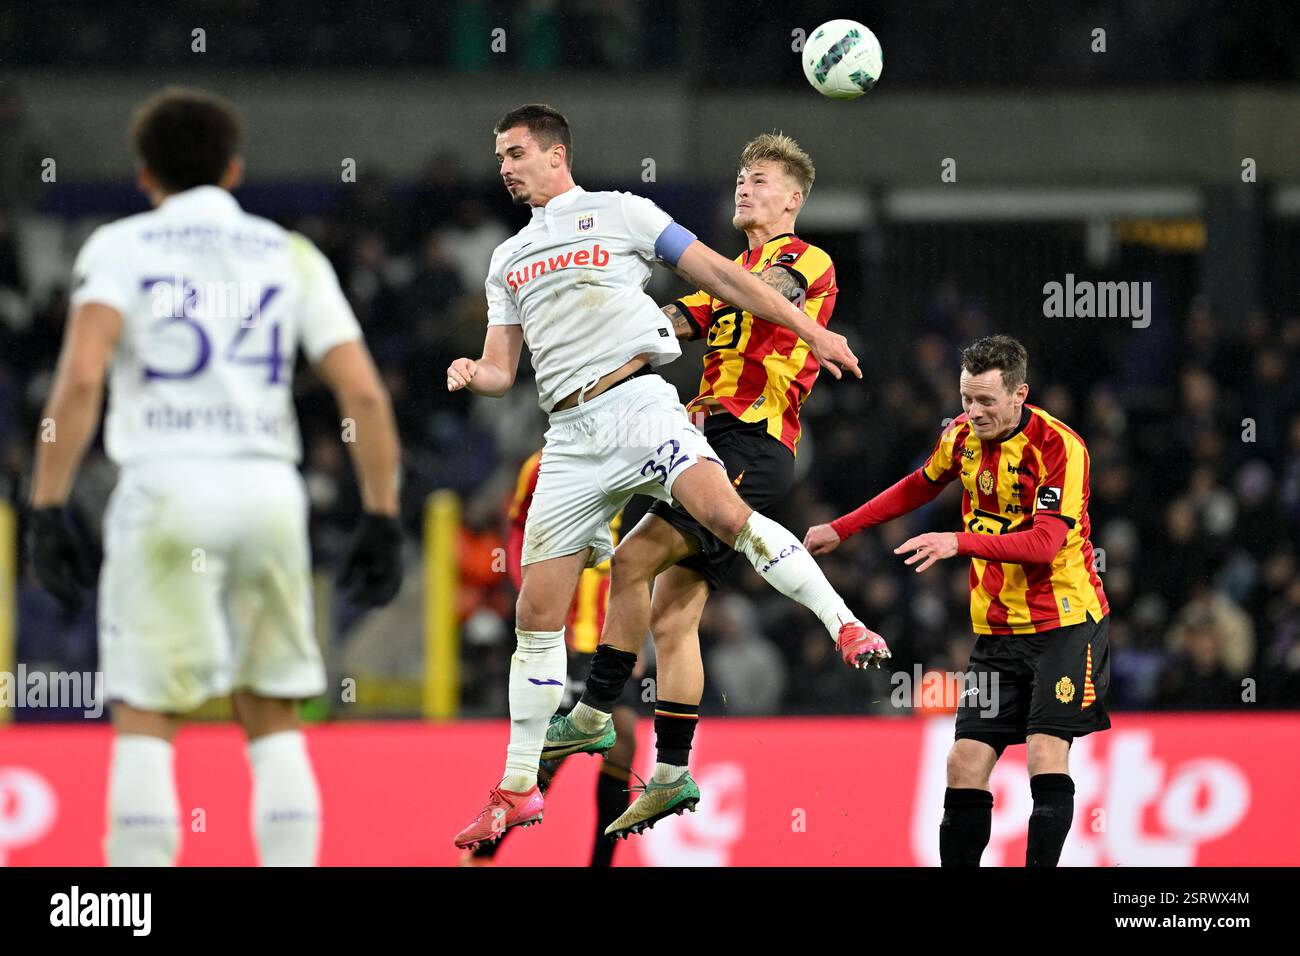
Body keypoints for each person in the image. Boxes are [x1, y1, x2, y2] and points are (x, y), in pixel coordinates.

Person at [448, 104, 883, 850]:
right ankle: (543, 783)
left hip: (709, 424)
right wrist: (477, 373)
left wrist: (812, 330)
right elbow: (505, 366)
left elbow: (728, 282)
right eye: (499, 157)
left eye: (515, 152)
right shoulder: (507, 259)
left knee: (695, 535)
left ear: (557, 153)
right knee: (600, 607)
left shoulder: (635, 216)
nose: (505, 167)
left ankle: (840, 623)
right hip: (577, 432)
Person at [26, 87, 403, 866]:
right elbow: (363, 391)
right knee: (272, 712)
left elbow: (82, 377)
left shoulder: (121, 246)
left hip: (163, 491)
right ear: (234, 170)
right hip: (267, 493)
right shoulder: (287, 252)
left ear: (144, 176)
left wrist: (47, 504)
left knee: (146, 715)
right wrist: (381, 513)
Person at [806, 334, 1111, 867]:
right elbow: (919, 485)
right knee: (964, 761)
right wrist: (842, 527)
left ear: (1020, 394)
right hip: (997, 631)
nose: (973, 412)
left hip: (1063, 624)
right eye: (967, 399)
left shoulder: (1059, 447)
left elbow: (1043, 545)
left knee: (1044, 751)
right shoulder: (963, 436)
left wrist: (957, 541)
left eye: (987, 401)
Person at [461, 449, 641, 866]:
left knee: (623, 743)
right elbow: (517, 528)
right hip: (566, 634)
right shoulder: (544, 462)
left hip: (613, 632)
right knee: (557, 751)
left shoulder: (636, 458)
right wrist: (536, 595)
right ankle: (485, 851)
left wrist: (640, 635)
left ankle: (598, 862)